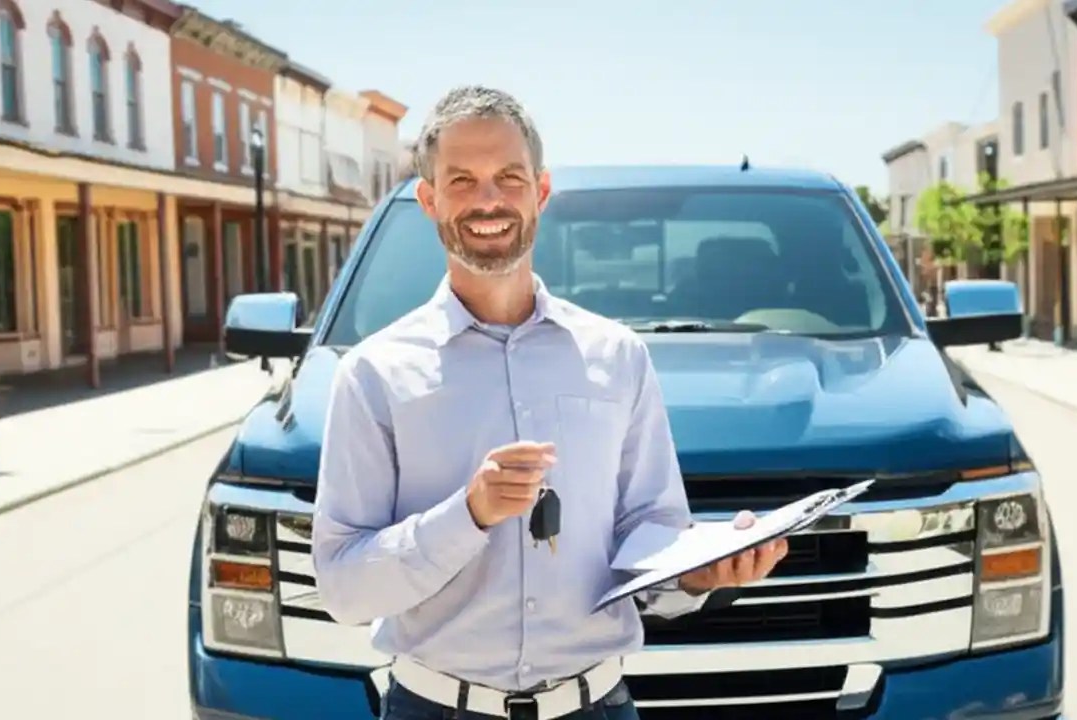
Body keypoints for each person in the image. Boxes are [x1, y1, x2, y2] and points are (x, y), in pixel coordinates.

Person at [312, 85, 789, 720]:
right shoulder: (373, 373)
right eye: (462, 180)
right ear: (429, 200)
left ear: (539, 191)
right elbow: (344, 589)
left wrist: (699, 573)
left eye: (508, 177)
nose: (487, 200)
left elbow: (647, 539)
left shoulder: (618, 357)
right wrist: (469, 515)